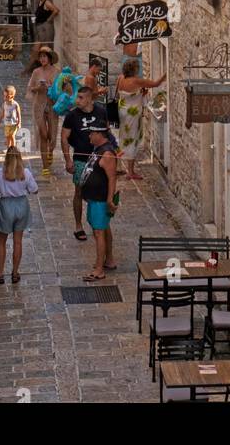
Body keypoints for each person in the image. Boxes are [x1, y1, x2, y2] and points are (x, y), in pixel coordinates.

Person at [61, 85, 108, 241]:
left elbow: (106, 133)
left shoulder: (101, 111)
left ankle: (98, 224)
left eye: (81, 98)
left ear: (89, 99)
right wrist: (68, 160)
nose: (77, 100)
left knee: (98, 192)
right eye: (77, 97)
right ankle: (78, 225)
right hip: (80, 159)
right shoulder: (72, 116)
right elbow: (64, 138)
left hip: (99, 159)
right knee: (79, 192)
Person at [0, 146, 39, 285]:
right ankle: (15, 273)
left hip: (6, 206)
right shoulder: (26, 173)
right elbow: (34, 190)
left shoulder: (0, 173)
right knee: (18, 242)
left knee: (2, 241)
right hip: (22, 205)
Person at [115, 58, 166, 182]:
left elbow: (118, 94)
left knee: (124, 137)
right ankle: (130, 172)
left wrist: (136, 95)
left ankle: (119, 165)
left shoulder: (120, 78)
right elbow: (156, 84)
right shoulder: (137, 81)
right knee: (132, 139)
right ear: (134, 69)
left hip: (122, 111)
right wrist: (166, 73)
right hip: (133, 114)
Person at [79, 124, 118, 281]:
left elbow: (112, 178)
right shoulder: (98, 149)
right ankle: (109, 260)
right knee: (104, 228)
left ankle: (99, 269)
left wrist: (109, 199)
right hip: (94, 199)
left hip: (100, 200)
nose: (89, 137)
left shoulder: (107, 153)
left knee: (98, 232)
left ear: (100, 134)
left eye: (91, 134)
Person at [26, 46, 59, 179]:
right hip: (39, 106)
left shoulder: (57, 71)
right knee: (43, 134)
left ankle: (50, 151)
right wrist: (38, 88)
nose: (42, 59)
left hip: (52, 106)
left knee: (52, 135)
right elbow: (30, 89)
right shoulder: (36, 72)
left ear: (50, 58)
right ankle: (45, 166)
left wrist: (53, 87)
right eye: (40, 57)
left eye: (44, 56)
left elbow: (63, 89)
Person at [0, 85, 21, 149]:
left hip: (13, 124)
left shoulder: (15, 104)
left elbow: (19, 114)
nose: (5, 98)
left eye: (7, 96)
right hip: (6, 124)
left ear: (12, 96)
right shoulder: (4, 104)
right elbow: (2, 114)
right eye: (4, 96)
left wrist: (19, 123)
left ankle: (13, 149)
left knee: (12, 136)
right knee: (7, 137)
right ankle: (8, 149)